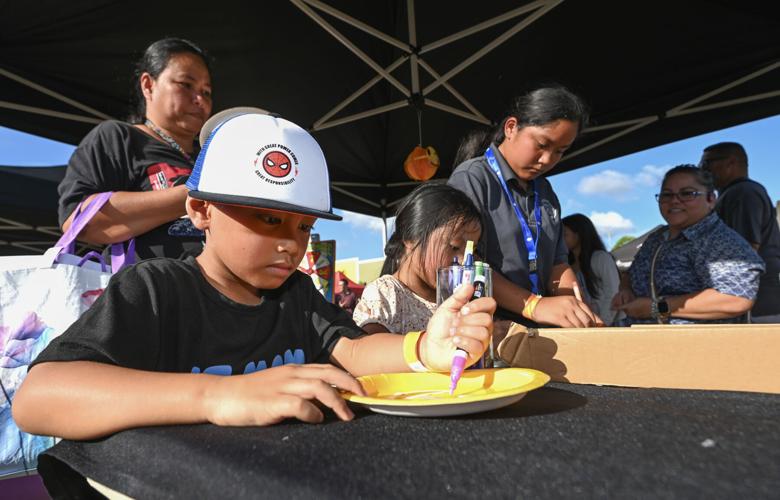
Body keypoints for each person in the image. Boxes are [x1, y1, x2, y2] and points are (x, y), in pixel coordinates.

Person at [13, 112, 495, 439]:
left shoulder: (297, 293)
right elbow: (37, 399)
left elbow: (353, 351)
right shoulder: (156, 289)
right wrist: (218, 397)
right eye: (268, 219)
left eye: (304, 225)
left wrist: (424, 350)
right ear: (200, 209)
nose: (292, 242)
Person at [448, 86, 601, 328]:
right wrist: (533, 305)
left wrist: (574, 309)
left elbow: (558, 265)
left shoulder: (546, 192)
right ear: (511, 128)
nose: (547, 160)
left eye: (560, 151)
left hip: (540, 330)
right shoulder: (472, 179)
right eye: (541, 144)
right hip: (487, 328)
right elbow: (464, 260)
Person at [57, 37, 213, 260]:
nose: (199, 99)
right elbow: (81, 221)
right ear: (149, 85)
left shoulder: (213, 155)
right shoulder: (120, 137)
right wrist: (192, 195)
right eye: (186, 85)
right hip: (149, 289)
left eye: (206, 92)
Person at [611, 165, 764, 324]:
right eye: (667, 195)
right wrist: (625, 290)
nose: (675, 200)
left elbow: (735, 298)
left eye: (687, 193)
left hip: (695, 345)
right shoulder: (656, 238)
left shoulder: (720, 240)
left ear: (711, 199)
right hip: (645, 342)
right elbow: (630, 274)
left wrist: (656, 307)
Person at [353, 183, 482, 334]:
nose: (463, 261)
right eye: (454, 247)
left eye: (471, 251)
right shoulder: (386, 294)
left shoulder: (457, 297)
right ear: (411, 238)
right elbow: (371, 349)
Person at [699, 142, 780, 322]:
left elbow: (743, 252)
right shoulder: (735, 194)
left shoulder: (743, 193)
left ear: (731, 163)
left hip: (756, 307)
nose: (702, 170)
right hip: (754, 302)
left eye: (706, 164)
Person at [562, 213, 622, 325]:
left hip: (611, 324)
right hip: (589, 326)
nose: (561, 240)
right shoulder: (567, 265)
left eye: (565, 234)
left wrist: (603, 323)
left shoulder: (600, 258)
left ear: (579, 234)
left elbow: (613, 292)